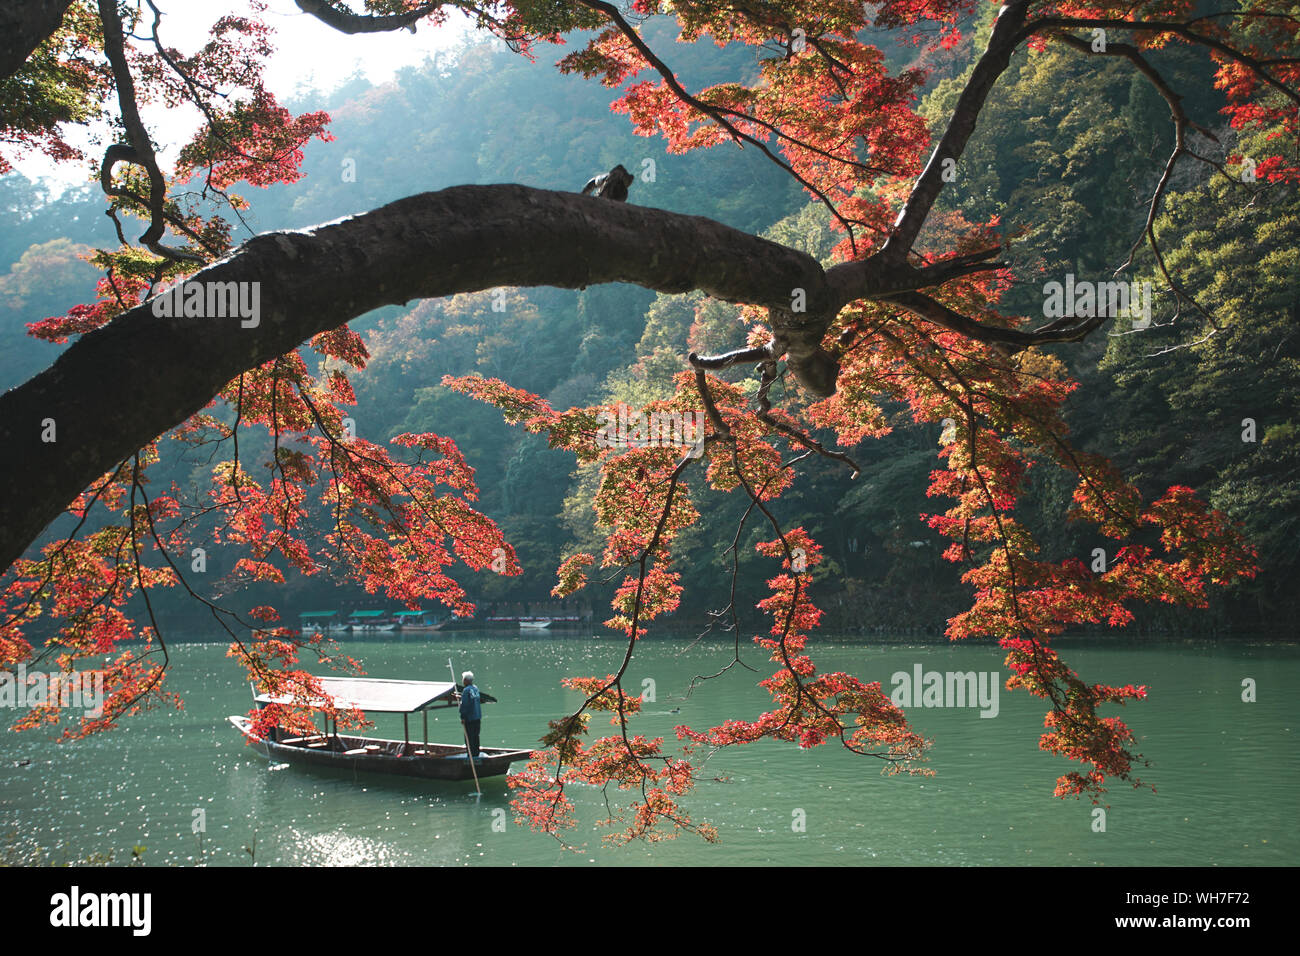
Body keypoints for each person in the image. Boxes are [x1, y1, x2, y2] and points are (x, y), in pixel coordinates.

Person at [459, 670, 482, 759]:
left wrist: (462, 717)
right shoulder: (475, 688)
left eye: (463, 679)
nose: (462, 681)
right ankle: (476, 754)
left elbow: (464, 705)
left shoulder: (466, 690)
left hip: (470, 718)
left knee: (469, 738)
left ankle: (471, 756)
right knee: (476, 736)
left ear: (466, 680)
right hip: (477, 717)